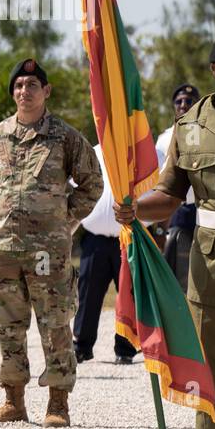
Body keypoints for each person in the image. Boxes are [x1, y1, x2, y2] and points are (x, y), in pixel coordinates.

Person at [116, 30, 215, 429]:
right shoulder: (190, 128)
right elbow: (169, 196)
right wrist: (132, 209)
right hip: (211, 271)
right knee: (211, 384)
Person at [0, 59, 103, 429]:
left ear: (46, 91)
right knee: (7, 325)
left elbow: (92, 183)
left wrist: (63, 220)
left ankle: (58, 403)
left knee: (54, 323)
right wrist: (0, 213)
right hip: (3, 248)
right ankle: (12, 401)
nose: (24, 91)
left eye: (32, 84)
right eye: (18, 85)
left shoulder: (65, 137)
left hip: (49, 252)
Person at [72, 144, 138, 364]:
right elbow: (76, 187)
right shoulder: (91, 152)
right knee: (88, 292)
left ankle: (126, 347)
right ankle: (82, 346)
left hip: (129, 237)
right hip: (95, 237)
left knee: (129, 295)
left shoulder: (140, 148)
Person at [156, 83, 201, 293]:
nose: (184, 104)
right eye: (179, 101)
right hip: (178, 213)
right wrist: (158, 227)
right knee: (178, 277)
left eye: (189, 101)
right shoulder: (163, 139)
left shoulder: (209, 133)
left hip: (205, 211)